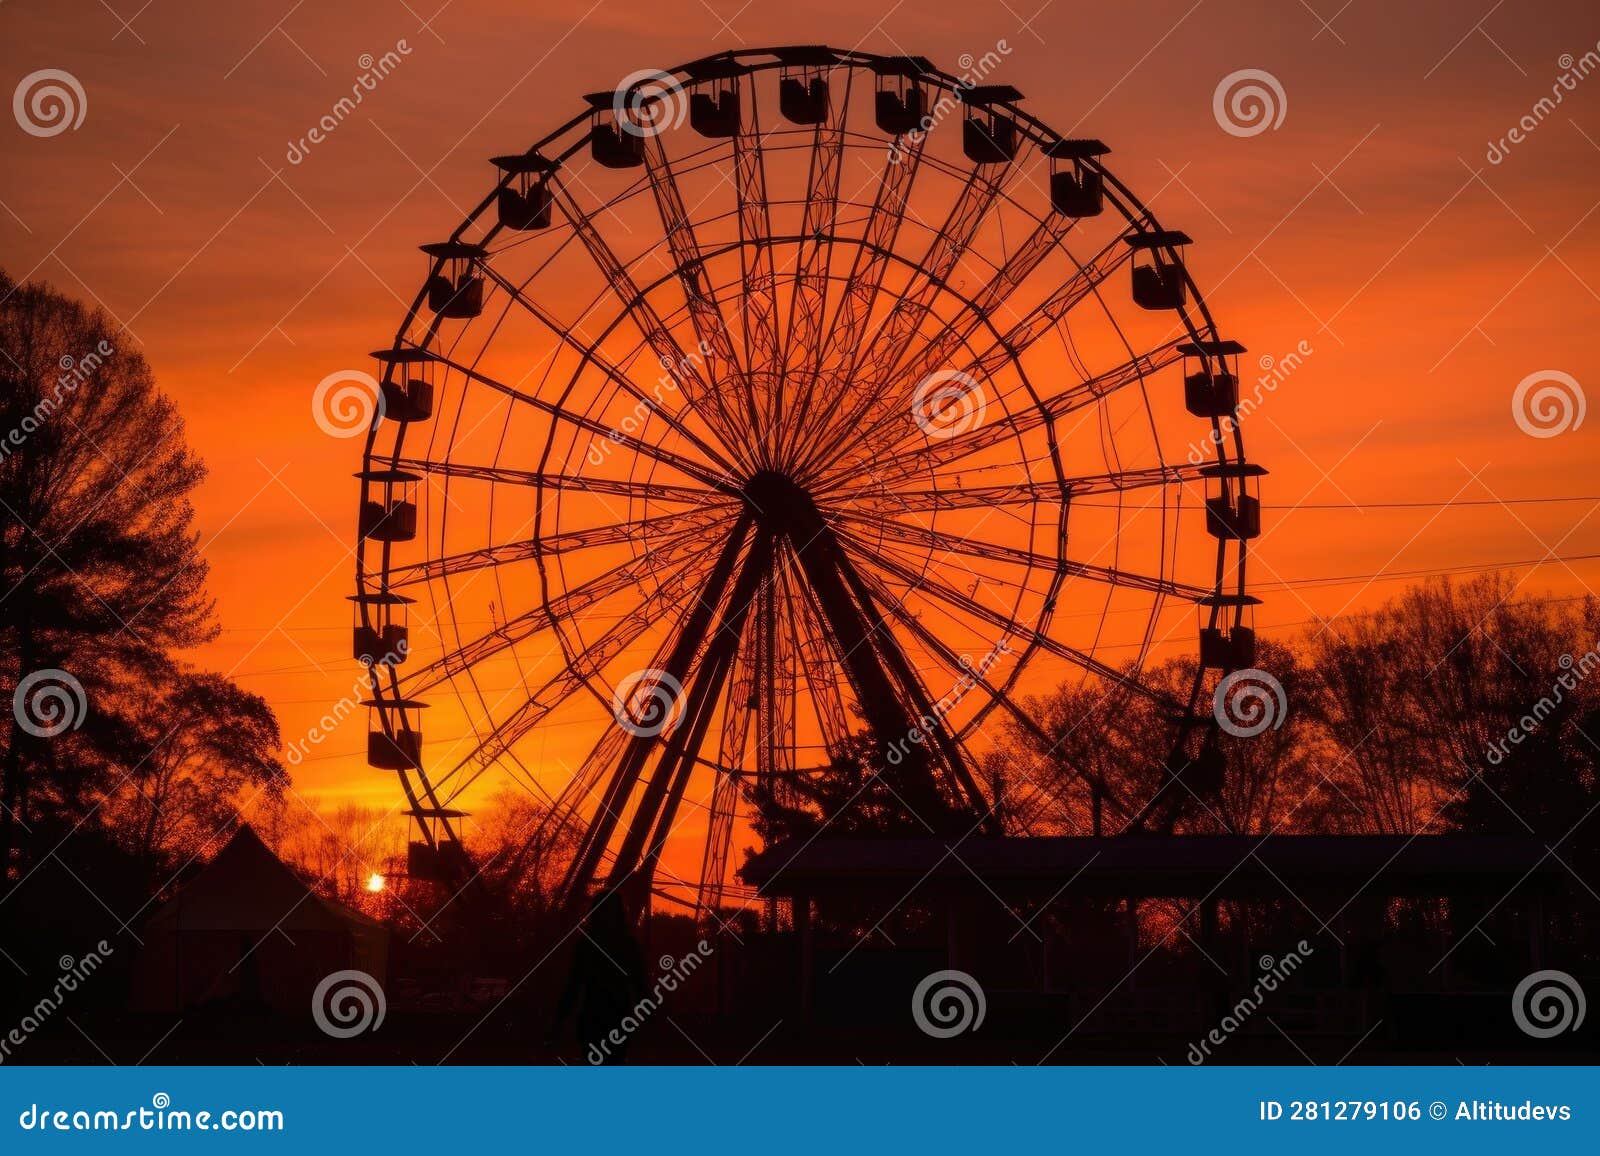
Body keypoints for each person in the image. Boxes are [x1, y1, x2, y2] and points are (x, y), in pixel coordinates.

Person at [553, 888, 648, 1064]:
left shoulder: (587, 944)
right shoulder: (627, 944)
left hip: (596, 1015)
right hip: (614, 1016)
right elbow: (640, 984)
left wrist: (559, 1021)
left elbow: (573, 986)